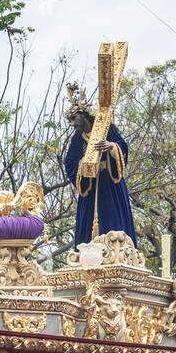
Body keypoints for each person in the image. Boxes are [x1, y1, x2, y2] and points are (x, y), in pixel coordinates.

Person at [63, 95, 136, 247]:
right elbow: (70, 163)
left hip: (110, 185)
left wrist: (111, 146)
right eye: (70, 120)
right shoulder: (77, 139)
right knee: (88, 226)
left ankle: (117, 250)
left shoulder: (107, 129)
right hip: (90, 187)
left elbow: (122, 146)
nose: (72, 124)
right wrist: (83, 161)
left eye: (74, 118)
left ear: (83, 116)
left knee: (113, 219)